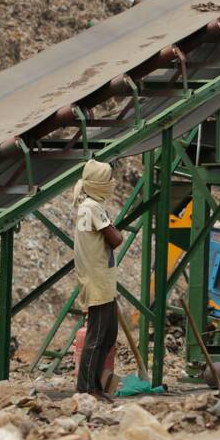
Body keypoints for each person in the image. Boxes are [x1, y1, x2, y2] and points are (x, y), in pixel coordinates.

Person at [73, 159, 123, 397]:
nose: (111, 184)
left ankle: (95, 383)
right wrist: (115, 228)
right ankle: (87, 387)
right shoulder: (93, 207)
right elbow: (116, 239)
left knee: (109, 332)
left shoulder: (88, 205)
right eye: (107, 180)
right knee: (97, 335)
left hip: (101, 277)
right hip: (97, 279)